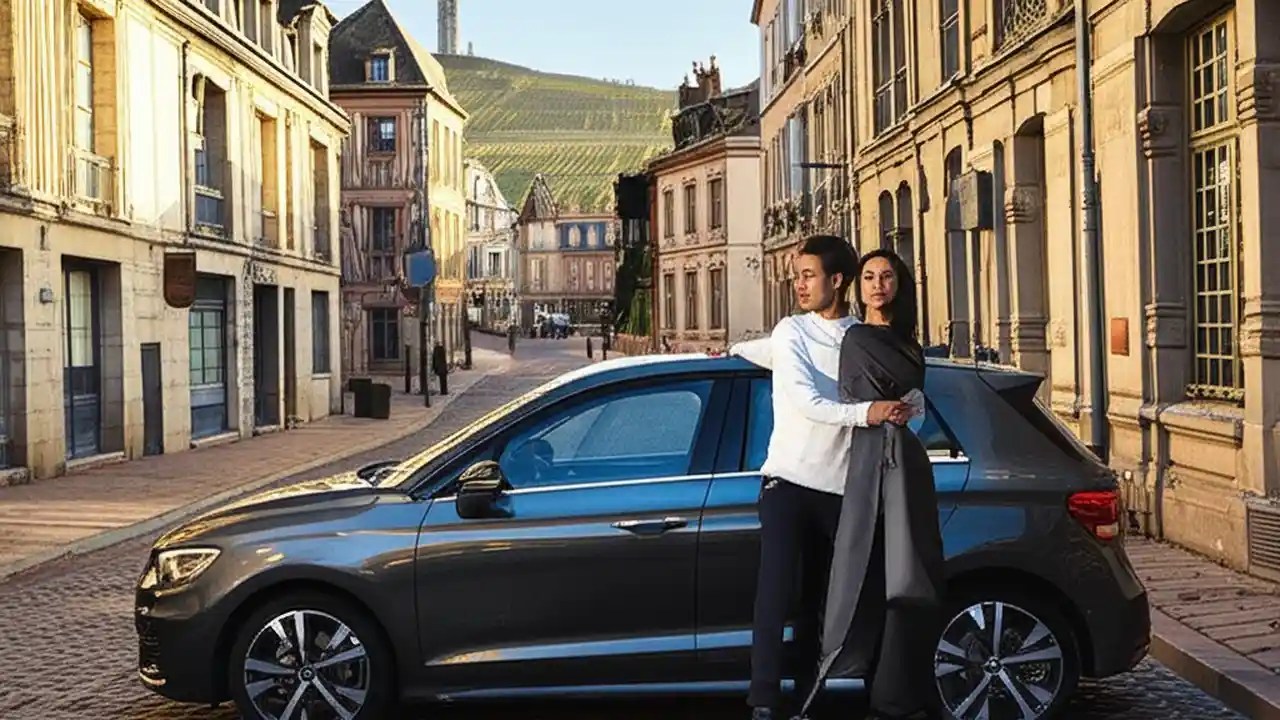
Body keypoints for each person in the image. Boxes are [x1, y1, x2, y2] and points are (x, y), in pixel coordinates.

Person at [733, 235, 923, 720]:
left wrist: (896, 411)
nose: (798, 284)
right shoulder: (791, 331)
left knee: (828, 602)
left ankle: (812, 698)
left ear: (837, 281)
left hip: (844, 490)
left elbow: (912, 402)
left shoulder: (864, 338)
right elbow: (804, 401)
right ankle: (764, 702)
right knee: (775, 596)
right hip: (789, 484)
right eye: (796, 275)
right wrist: (870, 413)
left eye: (807, 275)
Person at [798, 248, 947, 720]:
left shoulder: (907, 340)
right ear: (856, 287)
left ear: (899, 285)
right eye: (868, 277)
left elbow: (910, 400)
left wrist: (899, 404)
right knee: (871, 576)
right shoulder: (858, 339)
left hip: (905, 468)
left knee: (907, 581)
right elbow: (867, 400)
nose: (877, 284)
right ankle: (876, 684)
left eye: (886, 276)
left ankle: (899, 692)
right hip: (868, 464)